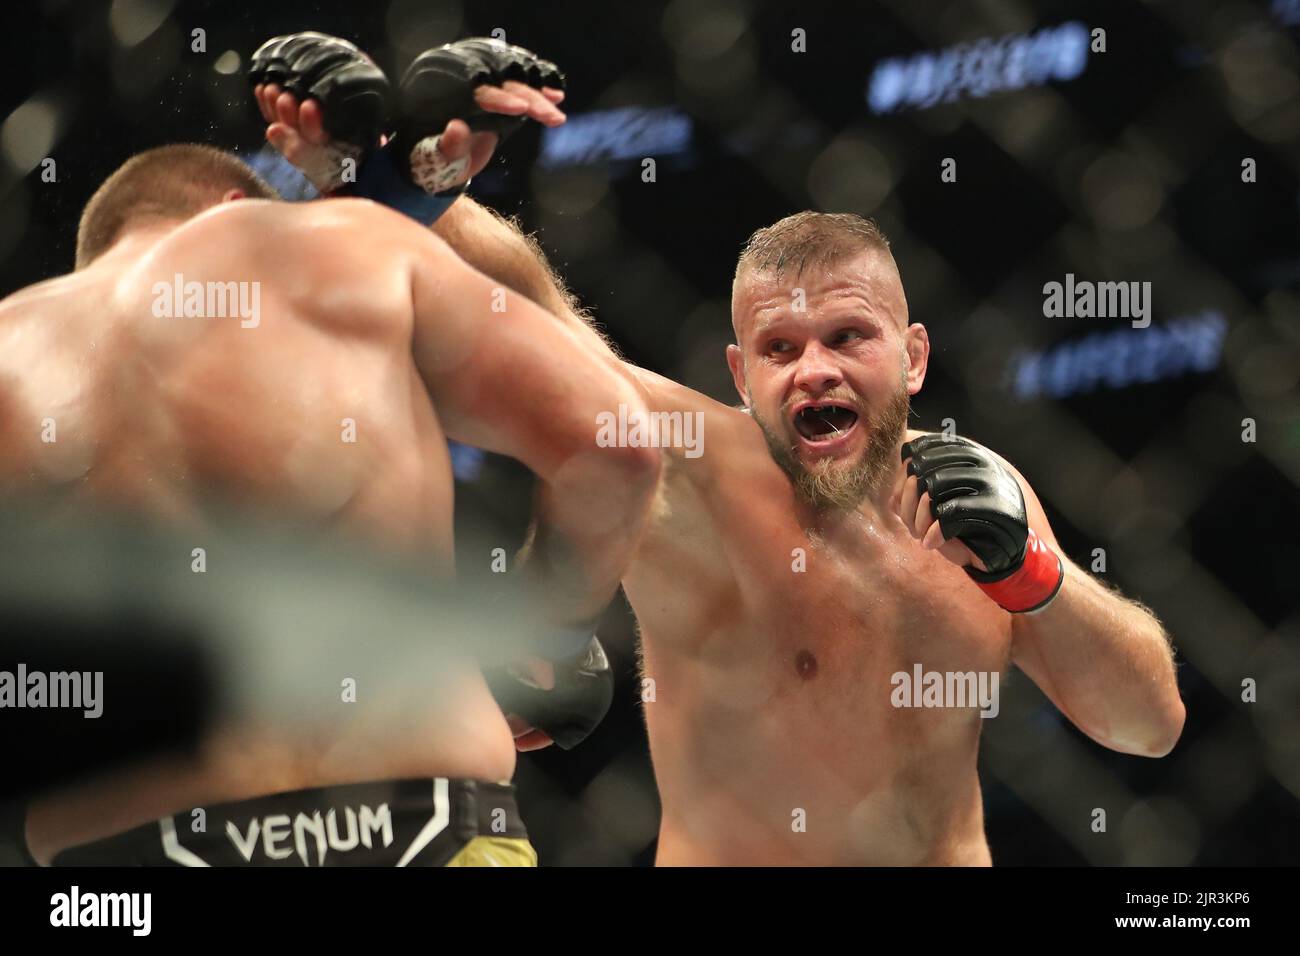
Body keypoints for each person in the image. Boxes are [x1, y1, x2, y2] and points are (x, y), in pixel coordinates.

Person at [260, 39, 1186, 867]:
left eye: (847, 338)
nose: (813, 371)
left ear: (913, 357)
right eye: (781, 351)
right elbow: (533, 308)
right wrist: (397, 172)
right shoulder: (693, 469)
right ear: (741, 376)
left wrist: (1032, 576)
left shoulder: (977, 501)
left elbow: (1148, 728)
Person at [1, 42, 659, 866]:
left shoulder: (14, 347)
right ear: (243, 203)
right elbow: (620, 440)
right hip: (414, 824)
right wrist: (552, 638)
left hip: (116, 872)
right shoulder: (341, 246)